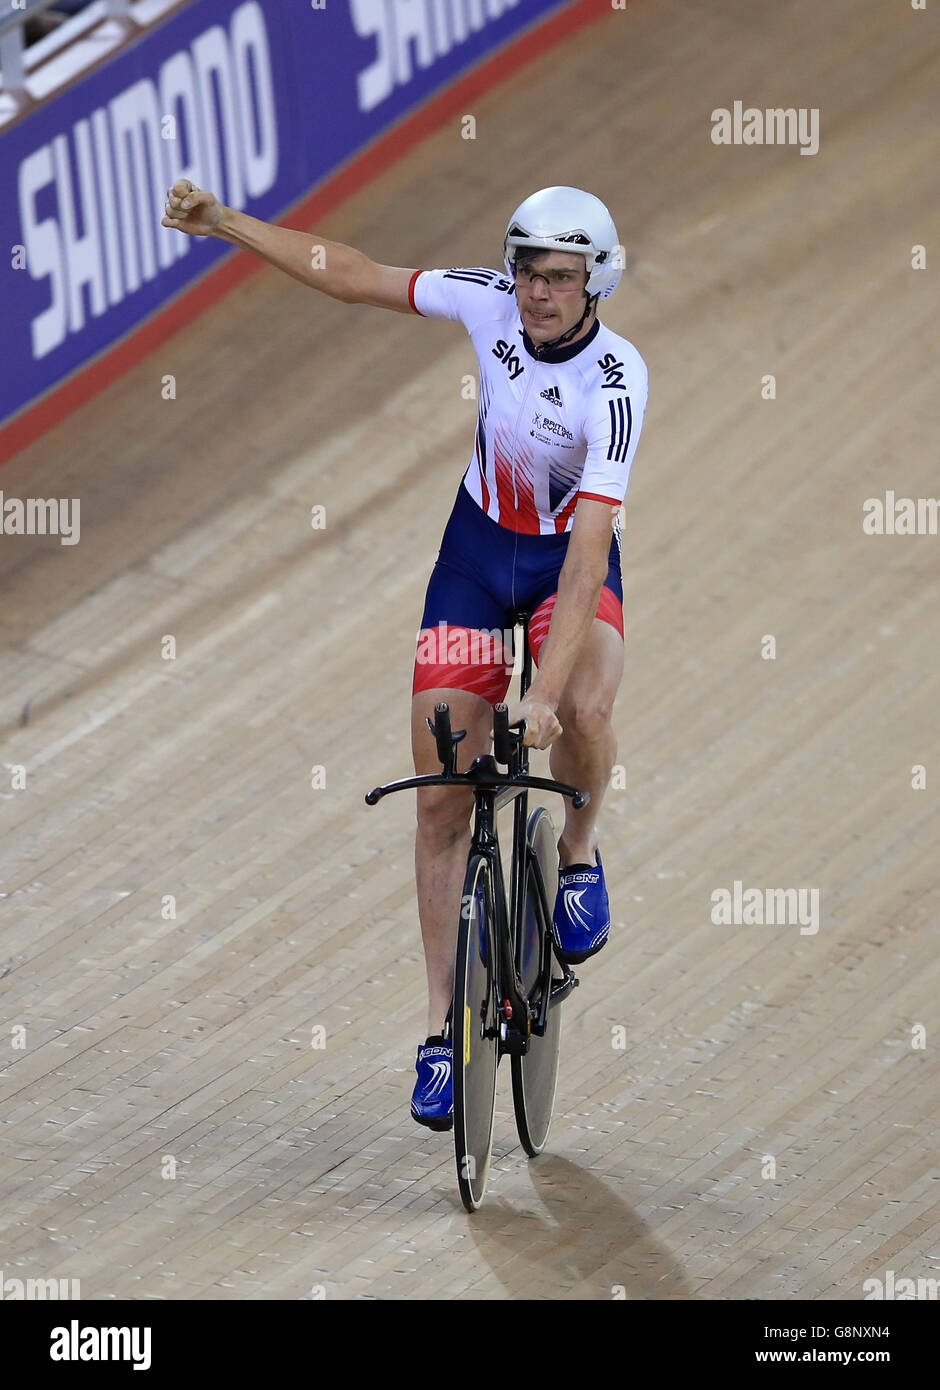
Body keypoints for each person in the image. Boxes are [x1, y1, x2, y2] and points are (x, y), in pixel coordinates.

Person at [162, 179, 648, 1132]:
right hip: (474, 559)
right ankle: (439, 1031)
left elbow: (589, 555)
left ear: (596, 280)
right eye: (527, 274)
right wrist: (223, 222)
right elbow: (350, 276)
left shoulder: (618, 381)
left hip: (562, 569)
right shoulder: (486, 300)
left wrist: (544, 695)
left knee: (586, 712)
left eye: (558, 277)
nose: (537, 294)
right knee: (439, 801)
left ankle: (581, 853)